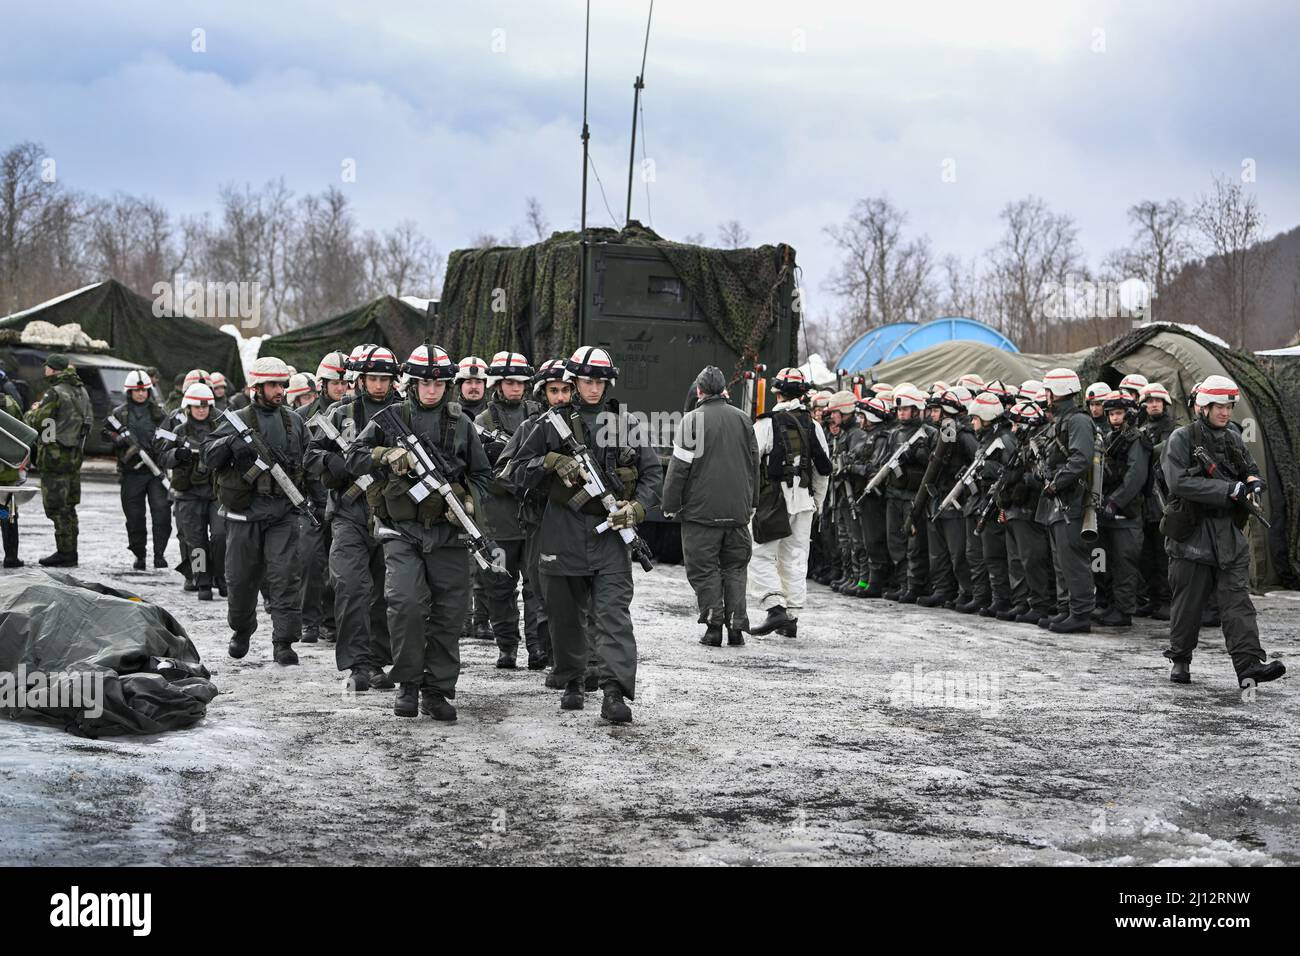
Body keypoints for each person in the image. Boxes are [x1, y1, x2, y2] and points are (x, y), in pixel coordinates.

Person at [508, 346, 662, 722]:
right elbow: (511, 470)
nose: (594, 388)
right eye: (587, 381)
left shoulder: (625, 423)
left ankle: (614, 693)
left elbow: (653, 474)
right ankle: (574, 679)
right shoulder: (547, 424)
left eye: (600, 382)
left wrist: (636, 508)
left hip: (611, 534)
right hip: (562, 534)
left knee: (614, 616)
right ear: (574, 381)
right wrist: (549, 461)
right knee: (564, 618)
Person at [345, 345, 492, 720]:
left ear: (448, 386)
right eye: (425, 383)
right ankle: (408, 684)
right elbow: (353, 457)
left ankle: (437, 690)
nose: (432, 390)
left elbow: (483, 476)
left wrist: (468, 502)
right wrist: (385, 456)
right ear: (412, 384)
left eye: (439, 383)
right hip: (401, 531)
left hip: (448, 534)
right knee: (406, 604)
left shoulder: (462, 425)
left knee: (450, 612)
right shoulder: (389, 418)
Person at [1162, 375, 1285, 688]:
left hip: (1228, 535)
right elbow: (1179, 483)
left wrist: (1254, 481)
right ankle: (1181, 660)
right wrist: (1227, 488)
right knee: (1187, 604)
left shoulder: (1232, 436)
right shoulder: (1182, 438)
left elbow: (1249, 467)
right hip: (1192, 533)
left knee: (1237, 602)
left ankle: (1249, 666)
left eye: (1229, 406)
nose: (1226, 412)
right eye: (1219, 406)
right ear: (1203, 407)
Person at [204, 356, 322, 664]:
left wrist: (320, 503)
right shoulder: (235, 420)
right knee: (240, 580)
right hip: (243, 514)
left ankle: (283, 641)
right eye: (272, 385)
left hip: (283, 513)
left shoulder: (294, 421)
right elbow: (208, 457)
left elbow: (309, 466)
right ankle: (242, 630)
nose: (279, 390)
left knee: (285, 577)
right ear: (256, 388)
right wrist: (231, 444)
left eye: (282, 385)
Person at [308, 345, 400, 690]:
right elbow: (311, 454)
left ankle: (377, 661)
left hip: (391, 516)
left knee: (385, 592)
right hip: (348, 514)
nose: (379, 385)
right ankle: (357, 663)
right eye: (373, 378)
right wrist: (328, 462)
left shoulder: (403, 414)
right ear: (360, 380)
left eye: (385, 378)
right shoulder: (339, 413)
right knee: (349, 586)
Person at [662, 365, 759, 646]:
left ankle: (714, 627)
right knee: (735, 568)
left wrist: (669, 505)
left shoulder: (691, 421)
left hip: (701, 515)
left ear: (700, 391)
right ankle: (736, 627)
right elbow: (754, 465)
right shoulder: (744, 420)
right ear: (725, 390)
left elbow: (679, 469)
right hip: (738, 514)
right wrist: (751, 503)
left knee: (704, 569)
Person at [496, 358, 568, 683]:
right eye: (554, 390)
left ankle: (577, 659)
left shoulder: (592, 426)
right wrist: (544, 467)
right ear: (543, 393)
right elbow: (508, 471)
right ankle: (545, 653)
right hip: (540, 520)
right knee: (541, 589)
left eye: (567, 389)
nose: (561, 397)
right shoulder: (531, 428)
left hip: (580, 523)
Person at [747, 368, 830, 637]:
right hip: (804, 502)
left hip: (773, 502)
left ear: (778, 392)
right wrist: (816, 503)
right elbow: (822, 472)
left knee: (760, 554)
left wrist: (749, 503)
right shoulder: (814, 426)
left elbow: (749, 464)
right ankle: (791, 619)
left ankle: (775, 608)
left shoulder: (765, 424)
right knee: (795, 558)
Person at [475, 350, 545, 669]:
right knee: (500, 586)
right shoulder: (482, 422)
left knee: (536, 586)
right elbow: (477, 474)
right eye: (509, 383)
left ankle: (536, 648)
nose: (516, 388)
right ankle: (507, 647)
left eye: (520, 382)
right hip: (498, 519)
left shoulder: (539, 416)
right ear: (498, 384)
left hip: (533, 517)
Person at [1035, 368, 1097, 633]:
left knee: (1073, 560)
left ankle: (1081, 615)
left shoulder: (1077, 421)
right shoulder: (1062, 420)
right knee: (1062, 560)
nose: (1046, 396)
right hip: (1061, 501)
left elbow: (1080, 459)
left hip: (1071, 501)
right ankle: (1066, 610)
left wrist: (1055, 483)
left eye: (1048, 390)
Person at [293, 355, 346, 644]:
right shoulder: (302, 416)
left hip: (344, 501)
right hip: (310, 502)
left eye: (345, 382)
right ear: (322, 384)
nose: (341, 388)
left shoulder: (352, 413)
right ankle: (308, 622)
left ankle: (332, 621)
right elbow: (295, 460)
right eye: (336, 382)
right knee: (311, 564)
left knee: (339, 567)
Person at [158, 383, 225, 601]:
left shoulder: (219, 429)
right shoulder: (178, 432)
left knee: (220, 537)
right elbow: (163, 457)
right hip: (188, 495)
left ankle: (221, 578)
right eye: (197, 406)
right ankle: (202, 580)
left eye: (205, 406)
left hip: (216, 494)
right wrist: (177, 454)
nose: (201, 410)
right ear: (188, 407)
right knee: (196, 543)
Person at [24, 354, 92, 567]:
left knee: (56, 507)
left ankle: (65, 553)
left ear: (53, 369)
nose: (45, 371)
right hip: (74, 456)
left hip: (54, 458)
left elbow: (38, 422)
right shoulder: (81, 391)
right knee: (69, 506)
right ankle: (70, 551)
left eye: (47, 367)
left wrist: (32, 412)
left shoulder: (55, 392)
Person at [1091, 391, 1151, 627]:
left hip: (1127, 513)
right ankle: (1109, 605)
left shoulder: (1136, 439)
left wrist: (1115, 501)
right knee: (1104, 561)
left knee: (1124, 563)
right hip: (1108, 510)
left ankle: (1123, 610)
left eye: (1119, 413)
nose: (1115, 418)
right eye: (1111, 414)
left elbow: (1135, 476)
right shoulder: (1108, 438)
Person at [103, 370, 172, 570]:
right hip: (131, 473)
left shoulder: (159, 413)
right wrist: (118, 439)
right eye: (137, 390)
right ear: (130, 392)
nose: (141, 394)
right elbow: (105, 432)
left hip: (156, 473)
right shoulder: (120, 413)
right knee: (134, 517)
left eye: (144, 390)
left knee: (162, 515)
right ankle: (139, 555)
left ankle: (160, 555)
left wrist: (159, 448)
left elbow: (170, 435)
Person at [917, 389, 977, 609]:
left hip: (955, 499)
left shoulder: (962, 434)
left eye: (936, 410)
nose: (932, 414)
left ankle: (966, 591)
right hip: (938, 496)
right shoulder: (941, 432)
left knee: (957, 550)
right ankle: (943, 590)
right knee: (938, 551)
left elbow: (976, 460)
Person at [999, 400, 1055, 624]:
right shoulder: (1023, 446)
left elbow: (1044, 476)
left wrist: (1026, 480)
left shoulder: (1038, 445)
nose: (1013, 430)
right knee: (1018, 560)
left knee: (1033, 560)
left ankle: (1040, 605)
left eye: (1017, 425)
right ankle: (1024, 602)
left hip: (1031, 510)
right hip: (1016, 510)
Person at [882, 383, 935, 603]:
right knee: (895, 542)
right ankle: (903, 583)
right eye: (899, 410)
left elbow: (933, 465)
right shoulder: (894, 434)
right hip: (894, 494)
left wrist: (917, 454)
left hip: (914, 497)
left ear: (916, 409)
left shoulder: (929, 433)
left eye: (905, 409)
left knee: (915, 544)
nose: (901, 413)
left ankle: (915, 585)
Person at [455, 354, 493, 641]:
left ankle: (482, 620)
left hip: (485, 493)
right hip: (454, 494)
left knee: (486, 558)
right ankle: (464, 618)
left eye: (478, 381)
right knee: (459, 562)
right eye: (468, 381)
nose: (474, 387)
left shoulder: (492, 416)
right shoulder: (451, 414)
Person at [1136, 382, 1176, 620]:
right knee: (1147, 556)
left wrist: (1146, 448)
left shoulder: (1173, 429)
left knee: (1164, 556)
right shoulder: (1141, 428)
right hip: (1145, 500)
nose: (1153, 405)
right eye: (1149, 401)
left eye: (1157, 401)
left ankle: (1166, 600)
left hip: (1164, 498)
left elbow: (1166, 450)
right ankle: (1153, 599)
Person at [852, 395, 896, 598]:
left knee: (874, 540)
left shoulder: (882, 437)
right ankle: (872, 579)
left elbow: (875, 469)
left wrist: (853, 467)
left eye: (863, 416)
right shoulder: (870, 436)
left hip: (874, 496)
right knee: (868, 540)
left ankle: (877, 582)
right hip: (866, 494)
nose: (860, 421)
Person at [826, 390, 869, 596]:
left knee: (856, 538)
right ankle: (850, 575)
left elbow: (854, 462)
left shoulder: (857, 435)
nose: (832, 417)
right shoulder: (844, 435)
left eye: (834, 412)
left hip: (853, 494)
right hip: (842, 493)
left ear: (845, 411)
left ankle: (861, 578)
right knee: (844, 538)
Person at [1, 381, 28, 567]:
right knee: (7, 510)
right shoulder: (10, 403)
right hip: (7, 467)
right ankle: (11, 556)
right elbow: (23, 432)